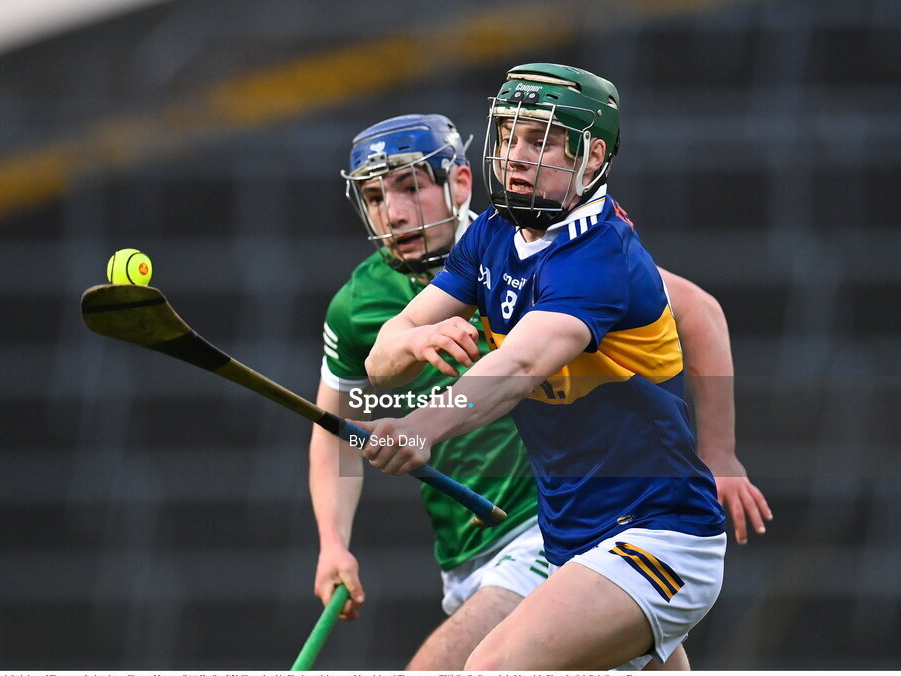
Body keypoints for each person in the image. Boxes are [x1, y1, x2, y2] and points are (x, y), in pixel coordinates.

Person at [312, 102, 767, 669]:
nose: (395, 215)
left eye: (409, 189)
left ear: (459, 181)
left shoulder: (560, 250)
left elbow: (692, 313)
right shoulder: (363, 302)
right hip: (528, 541)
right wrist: (334, 543)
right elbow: (338, 425)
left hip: (550, 530)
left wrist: (720, 451)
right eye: (377, 198)